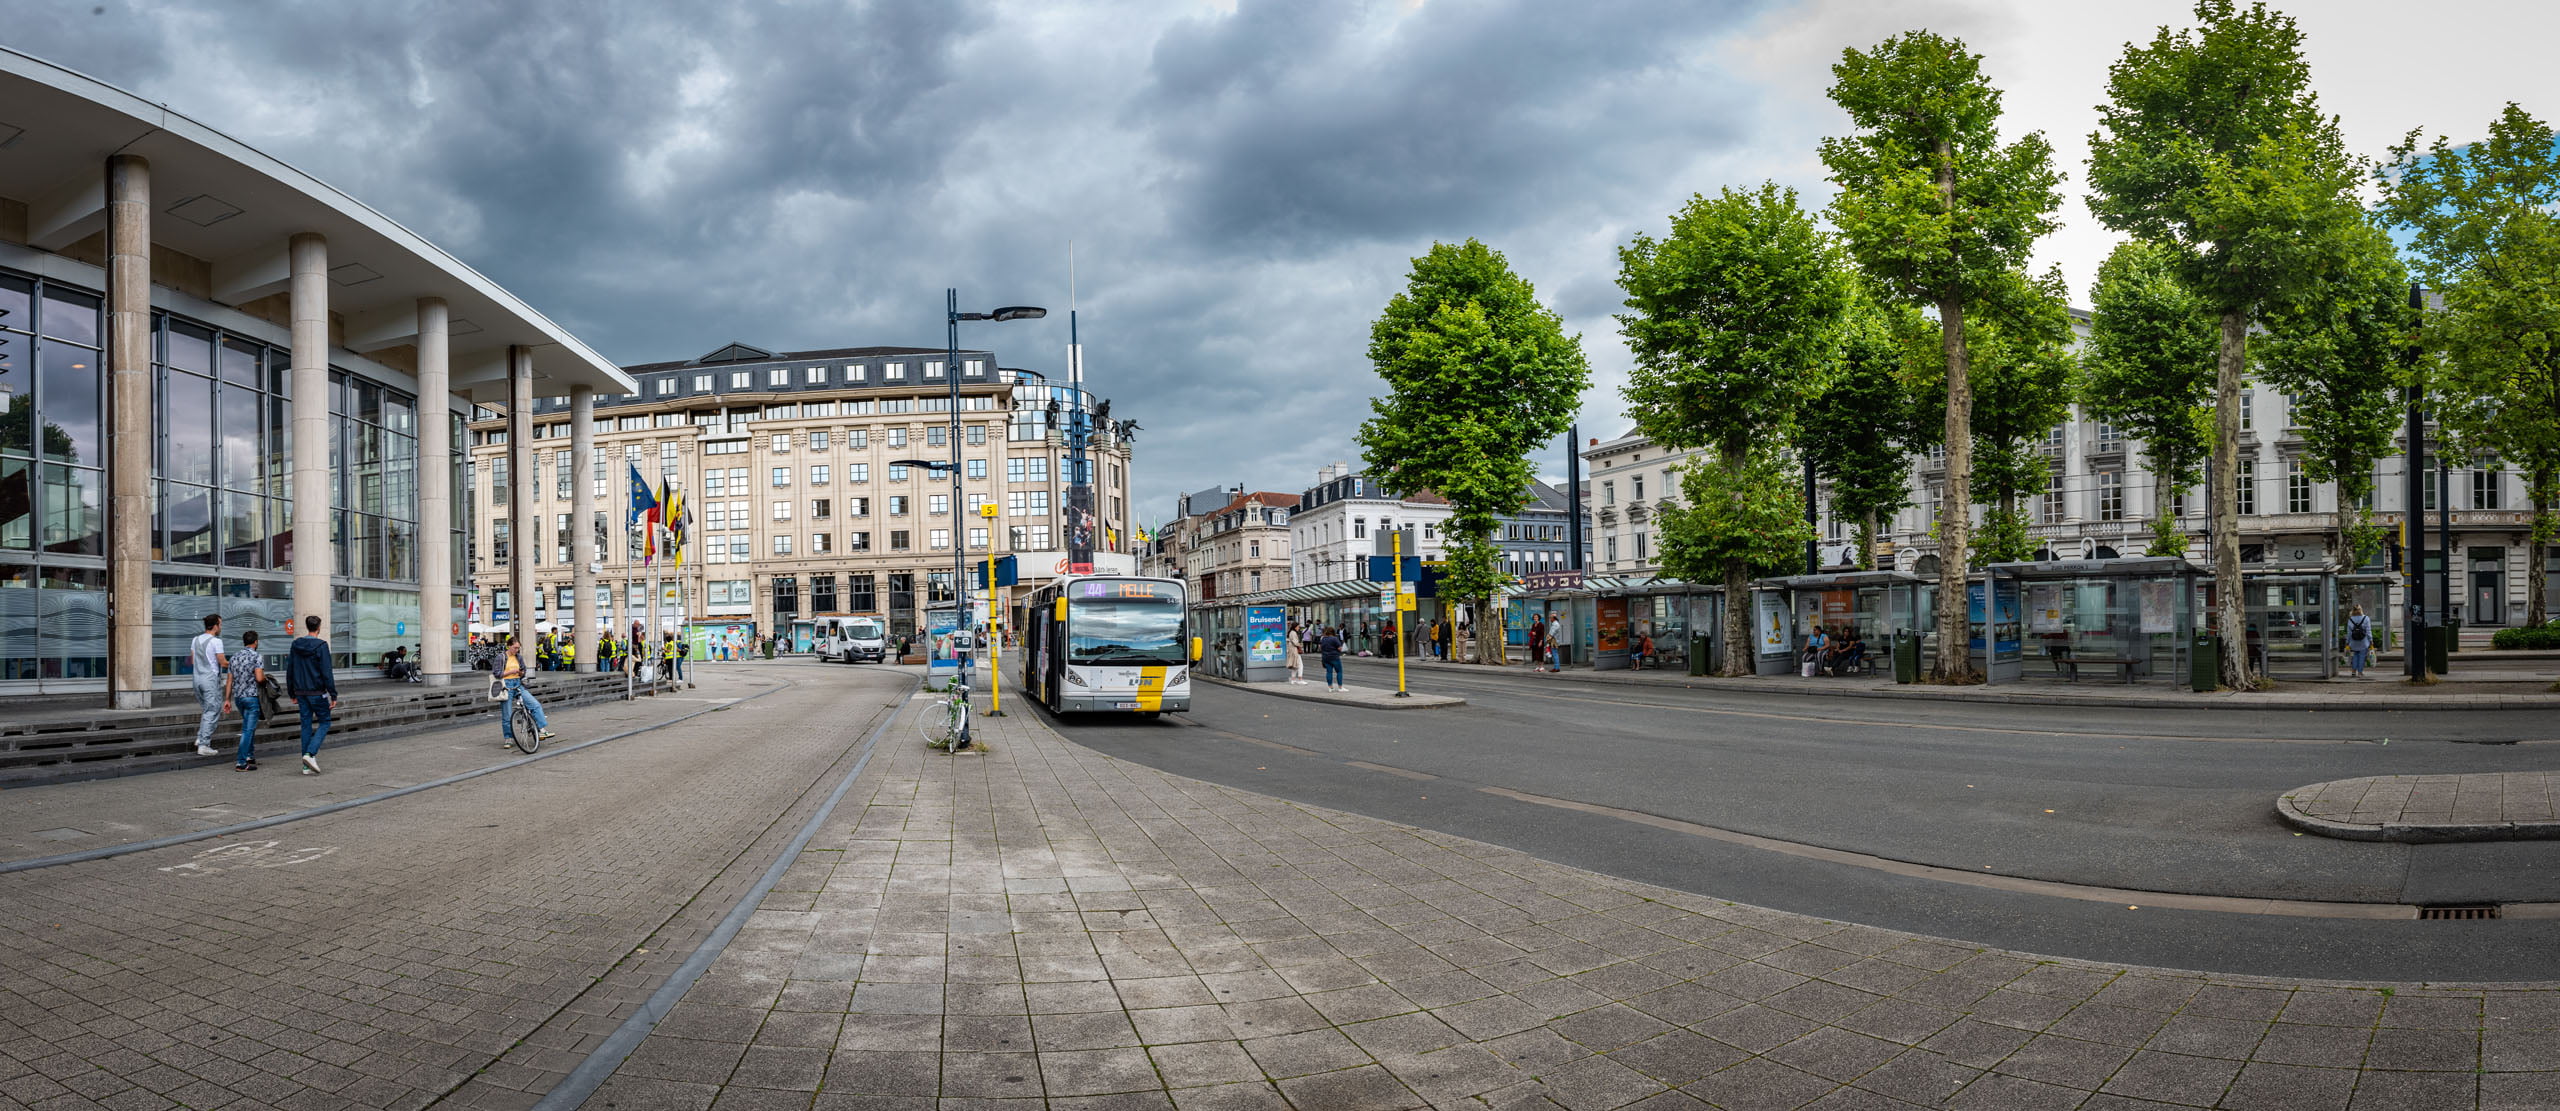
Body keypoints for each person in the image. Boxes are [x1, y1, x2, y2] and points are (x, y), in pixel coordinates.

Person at [286, 615, 338, 775]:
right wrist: (333, 694)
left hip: (301, 692)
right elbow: (326, 672)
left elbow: (290, 669)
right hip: (317, 692)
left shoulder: (296, 645)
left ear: (307, 626)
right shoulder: (321, 646)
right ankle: (310, 754)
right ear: (319, 627)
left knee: (306, 726)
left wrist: (291, 692)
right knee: (325, 721)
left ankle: (306, 766)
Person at [498, 637, 556, 749]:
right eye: (515, 648)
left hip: (518, 684)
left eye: (518, 648)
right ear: (509, 646)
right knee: (507, 714)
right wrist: (511, 671)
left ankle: (541, 729)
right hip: (505, 686)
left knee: (535, 705)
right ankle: (508, 738)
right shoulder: (501, 657)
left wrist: (521, 673)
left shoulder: (518, 657)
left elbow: (523, 671)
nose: (517, 650)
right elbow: (496, 673)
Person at [225, 629, 267, 771]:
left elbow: (229, 681)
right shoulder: (257, 656)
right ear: (255, 642)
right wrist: (266, 678)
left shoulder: (234, 657)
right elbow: (259, 678)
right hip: (252, 697)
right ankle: (241, 762)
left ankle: (249, 755)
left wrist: (227, 699)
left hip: (239, 698)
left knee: (249, 727)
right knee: (248, 730)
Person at [188, 614, 228, 757]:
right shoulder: (216, 642)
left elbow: (193, 661)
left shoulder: (195, 639)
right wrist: (235, 663)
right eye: (220, 624)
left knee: (207, 709)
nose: (221, 627)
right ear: (216, 626)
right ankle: (204, 744)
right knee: (213, 709)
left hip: (197, 678)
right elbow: (222, 662)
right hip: (210, 680)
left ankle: (200, 737)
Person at [2346, 605, 2373, 678]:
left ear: (2353, 610)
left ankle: (2353, 671)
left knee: (2355, 656)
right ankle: (2360, 672)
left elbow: (2349, 633)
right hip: (2363, 642)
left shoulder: (2350, 619)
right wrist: (2371, 640)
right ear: (2361, 609)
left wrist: (2347, 642)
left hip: (2353, 641)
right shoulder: (2366, 618)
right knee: (2362, 656)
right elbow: (2368, 631)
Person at [1319, 625, 1346, 691]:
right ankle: (1340, 687)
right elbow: (1339, 648)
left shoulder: (1323, 639)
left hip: (1326, 658)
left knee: (1329, 672)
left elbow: (1320, 647)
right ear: (1333, 632)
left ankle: (1330, 687)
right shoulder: (1334, 639)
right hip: (1334, 657)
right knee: (1339, 671)